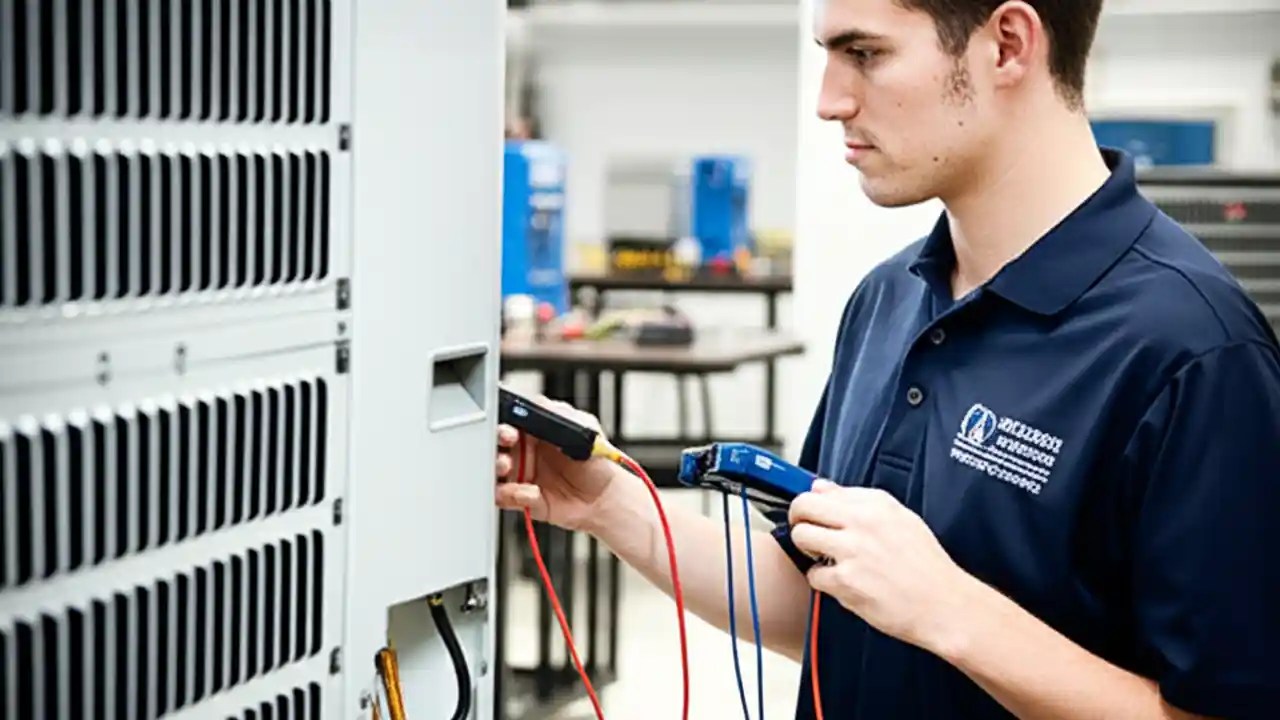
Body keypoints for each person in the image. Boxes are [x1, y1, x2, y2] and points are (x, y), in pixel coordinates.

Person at [495, 0, 1280, 717]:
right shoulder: (890, 298)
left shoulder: (1196, 351)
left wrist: (954, 613)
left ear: (1007, 45)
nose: (829, 100)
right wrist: (612, 503)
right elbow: (823, 601)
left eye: (864, 54)